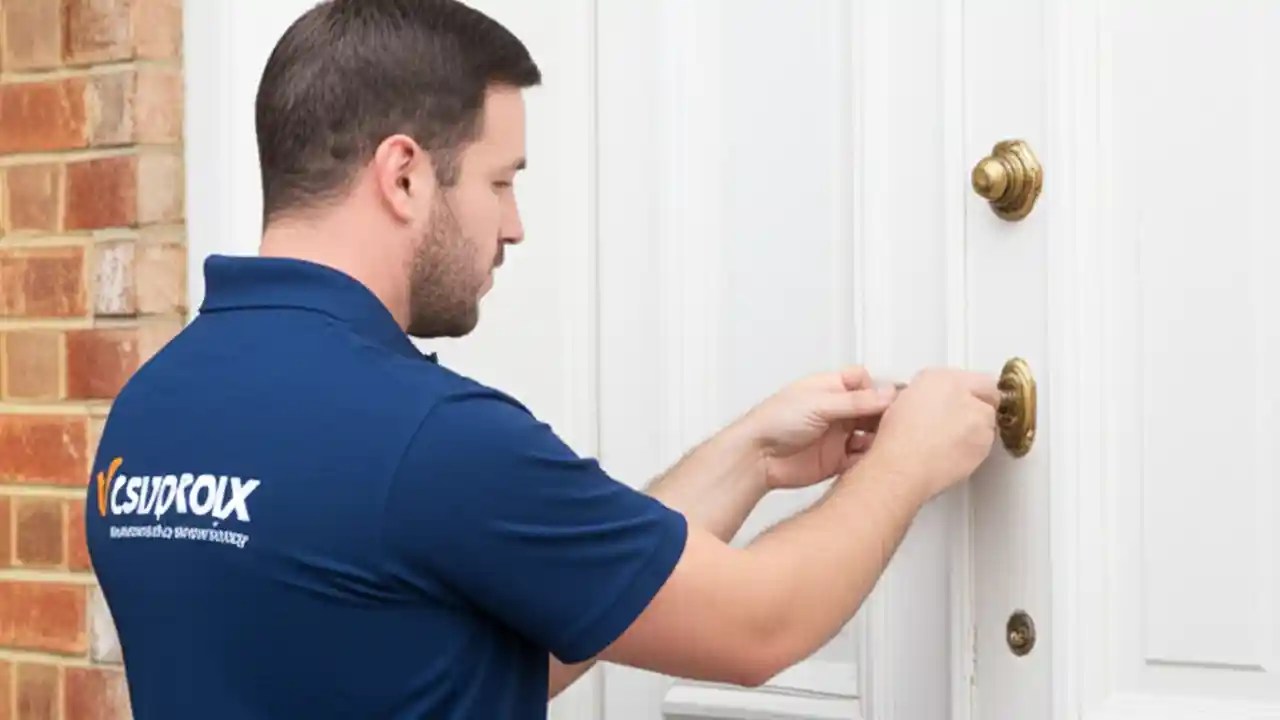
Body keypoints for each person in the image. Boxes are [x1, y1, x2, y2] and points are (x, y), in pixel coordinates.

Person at [83, 1, 1001, 718]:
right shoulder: (428, 438)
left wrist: (754, 458)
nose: (513, 225)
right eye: (500, 181)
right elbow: (762, 623)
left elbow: (476, 641)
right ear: (403, 175)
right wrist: (908, 459)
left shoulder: (153, 410)